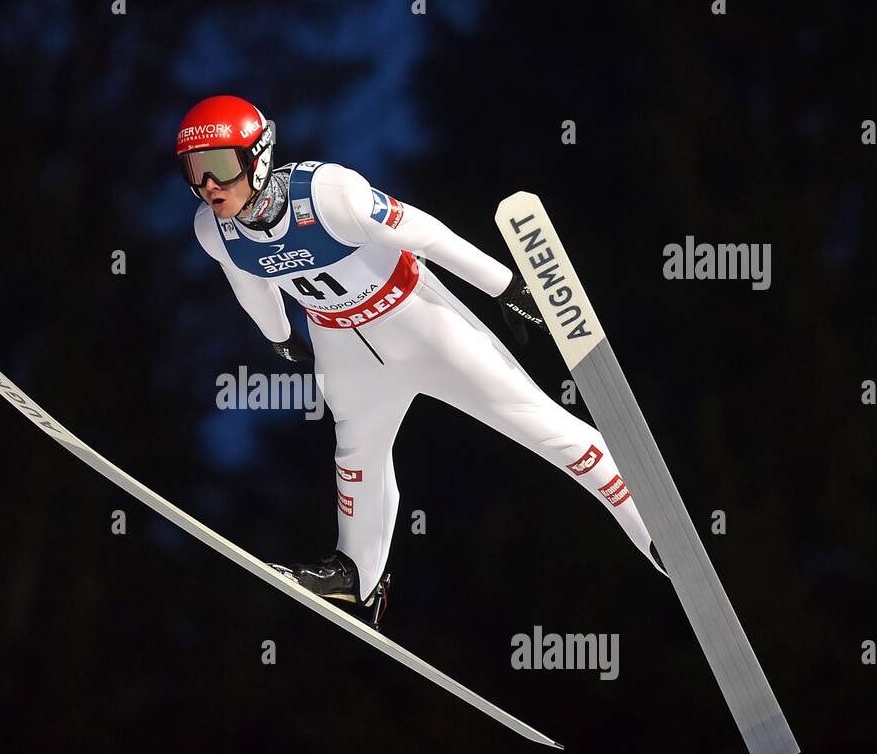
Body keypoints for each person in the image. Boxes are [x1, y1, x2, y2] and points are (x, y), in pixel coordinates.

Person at [177, 95, 666, 628]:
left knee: (542, 426)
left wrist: (505, 286)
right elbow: (249, 283)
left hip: (420, 323)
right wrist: (279, 337)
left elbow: (427, 234)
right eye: (195, 172)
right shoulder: (214, 229)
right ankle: (358, 578)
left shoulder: (328, 194)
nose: (209, 186)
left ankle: (653, 529)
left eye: (220, 166)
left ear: (259, 153)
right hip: (341, 346)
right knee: (357, 455)